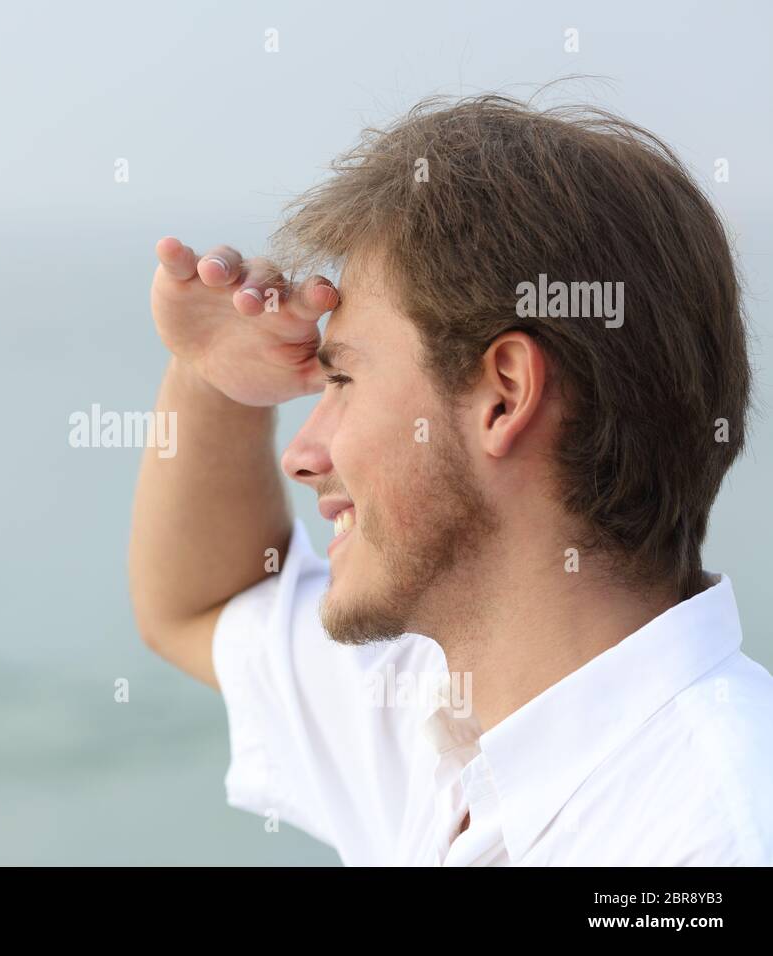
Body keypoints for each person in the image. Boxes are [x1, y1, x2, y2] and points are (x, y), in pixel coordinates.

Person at [128, 94, 773, 865]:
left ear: (503, 396)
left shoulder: (714, 837)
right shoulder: (436, 720)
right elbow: (200, 605)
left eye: (343, 382)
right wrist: (215, 383)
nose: (301, 454)